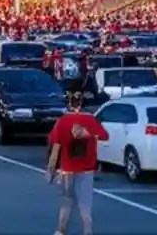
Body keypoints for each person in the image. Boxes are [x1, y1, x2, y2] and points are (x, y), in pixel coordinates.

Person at [47, 92, 108, 235]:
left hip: (67, 170)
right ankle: (87, 232)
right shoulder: (91, 120)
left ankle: (60, 231)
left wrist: (50, 169)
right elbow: (105, 136)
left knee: (66, 202)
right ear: (83, 104)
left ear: (69, 104)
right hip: (86, 170)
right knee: (85, 206)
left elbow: (56, 146)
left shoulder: (62, 121)